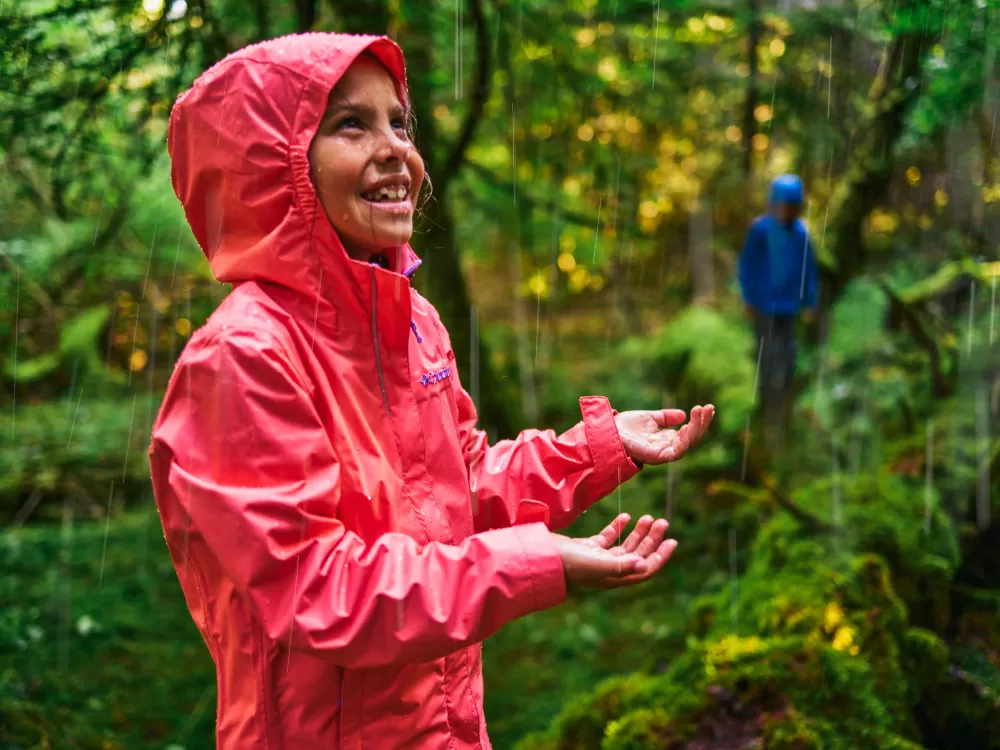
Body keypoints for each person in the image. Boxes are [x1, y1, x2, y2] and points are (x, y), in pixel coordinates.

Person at [150, 33, 714, 749]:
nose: (395, 150)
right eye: (350, 123)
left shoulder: (412, 322)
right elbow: (320, 592)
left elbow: (458, 492)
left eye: (400, 122)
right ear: (269, 164)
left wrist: (595, 449)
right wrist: (540, 563)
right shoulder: (241, 359)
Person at [738, 174, 818, 430]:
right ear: (774, 204)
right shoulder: (760, 229)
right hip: (764, 305)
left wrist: (810, 302)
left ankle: (784, 402)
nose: (787, 211)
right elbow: (747, 266)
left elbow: (809, 270)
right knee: (766, 352)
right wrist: (748, 297)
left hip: (789, 306)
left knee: (788, 352)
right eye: (783, 205)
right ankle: (764, 401)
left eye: (792, 206)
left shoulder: (800, 233)